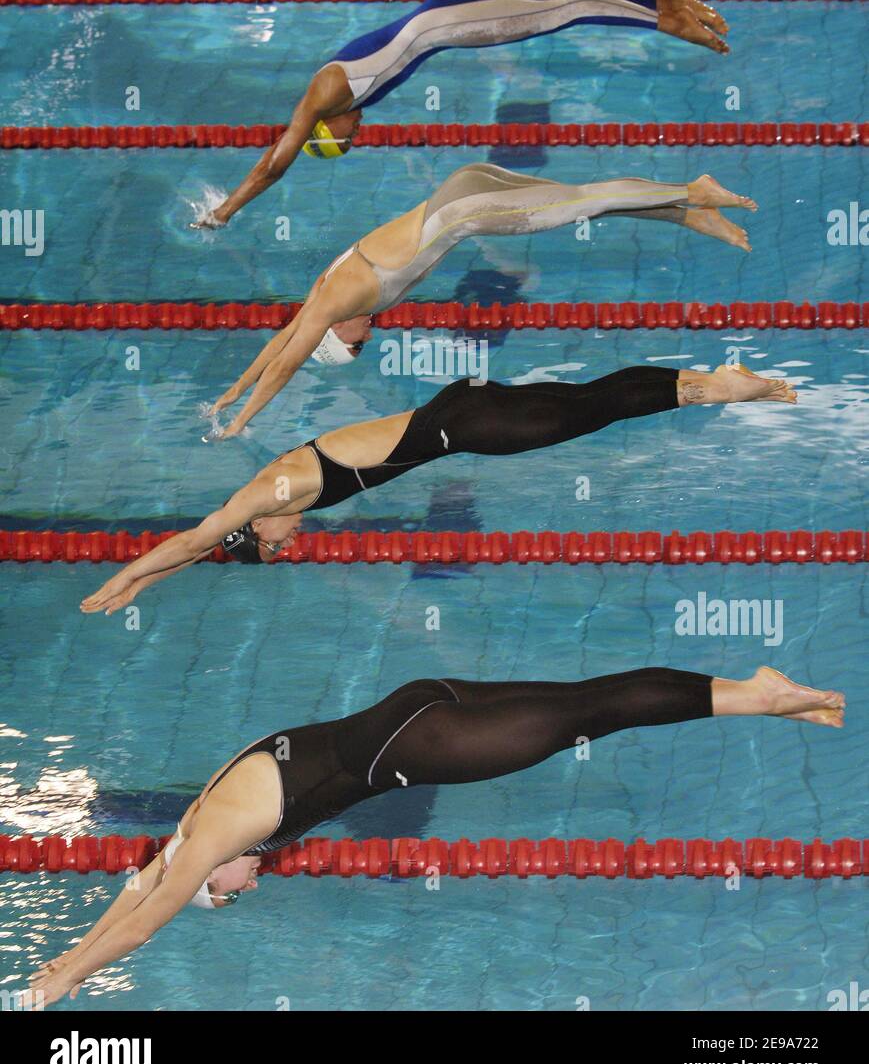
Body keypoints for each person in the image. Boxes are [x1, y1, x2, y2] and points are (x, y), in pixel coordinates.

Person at [31, 663, 844, 1006]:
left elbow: (145, 916)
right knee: (583, 698)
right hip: (419, 698)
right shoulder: (200, 816)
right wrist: (64, 955)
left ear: (215, 884)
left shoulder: (208, 849)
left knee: (590, 717)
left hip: (414, 747)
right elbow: (136, 887)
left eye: (230, 900)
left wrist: (64, 987)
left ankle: (760, 697)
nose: (250, 888)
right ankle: (754, 690)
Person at [80, 362, 795, 609]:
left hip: (468, 428)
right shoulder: (283, 494)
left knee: (592, 413)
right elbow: (200, 548)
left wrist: (125, 579)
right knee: (587, 402)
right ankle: (723, 388)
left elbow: (197, 536)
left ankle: (719, 390)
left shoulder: (268, 494)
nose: (287, 546)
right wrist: (145, 587)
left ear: (255, 530)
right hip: (459, 409)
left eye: (271, 551)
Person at [209, 168, 757, 433]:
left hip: (466, 211)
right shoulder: (325, 292)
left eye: (355, 347)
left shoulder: (335, 305)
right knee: (584, 200)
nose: (367, 338)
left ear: (332, 336)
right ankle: (687, 212)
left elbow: (286, 361)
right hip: (464, 186)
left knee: (587, 201)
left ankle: (693, 192)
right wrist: (230, 393)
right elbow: (279, 342)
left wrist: (244, 419)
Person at [192, 0, 729, 227]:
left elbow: (272, 164)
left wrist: (225, 211)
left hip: (441, 26)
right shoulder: (338, 100)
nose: (359, 131)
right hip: (441, 15)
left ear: (326, 128)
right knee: (554, 10)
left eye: (348, 136)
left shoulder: (321, 98)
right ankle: (663, 8)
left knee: (561, 11)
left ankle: (667, 12)